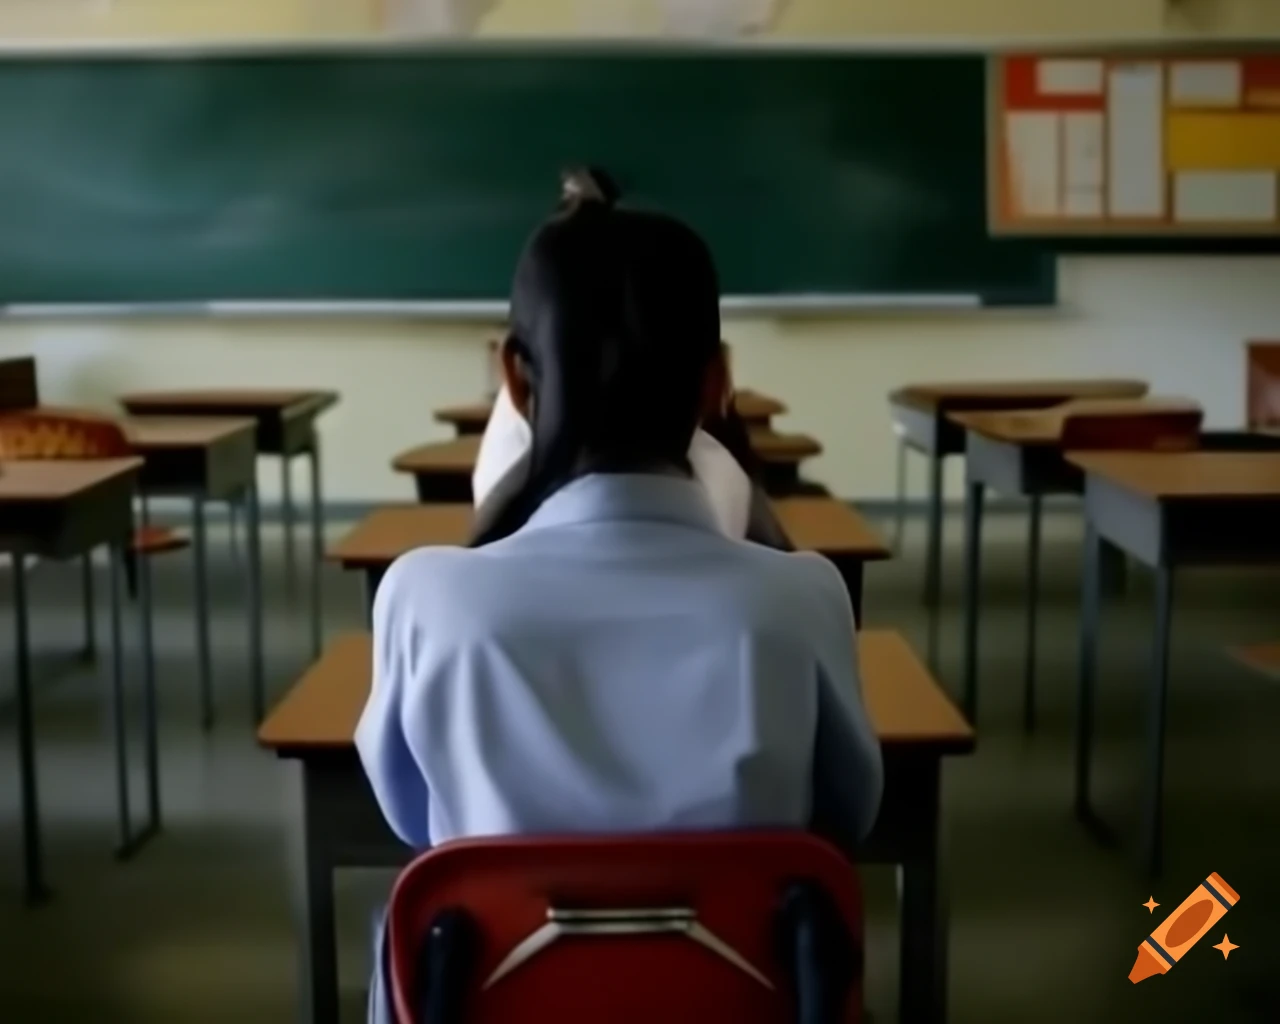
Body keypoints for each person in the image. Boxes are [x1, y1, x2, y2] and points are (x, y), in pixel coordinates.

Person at [357, 185, 882, 1018]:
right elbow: (843, 821)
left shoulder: (425, 596)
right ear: (717, 384)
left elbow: (414, 820)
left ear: (514, 384)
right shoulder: (803, 595)